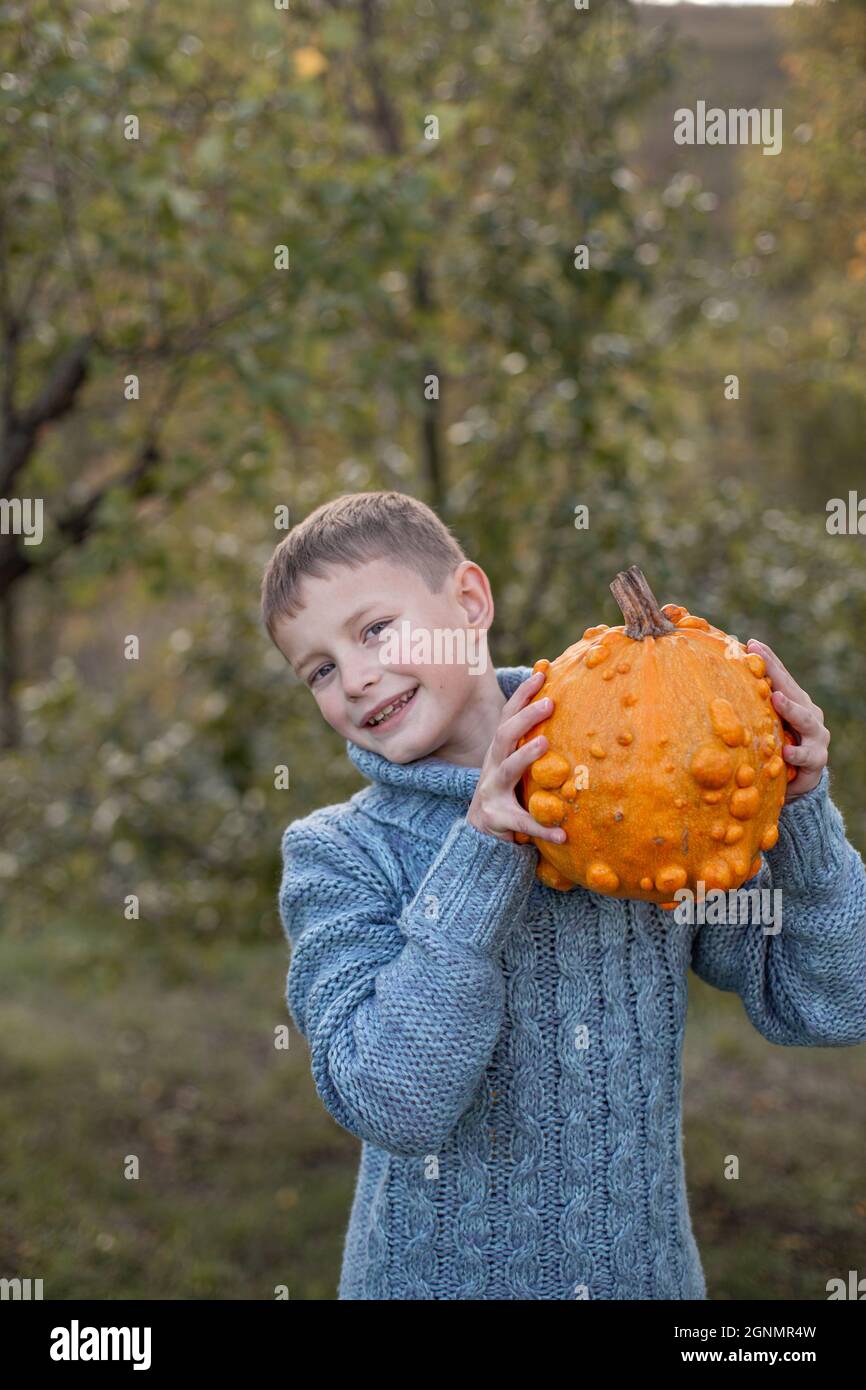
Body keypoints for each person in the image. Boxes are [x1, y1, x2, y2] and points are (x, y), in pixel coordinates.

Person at [261, 489, 865, 1300]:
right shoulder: (336, 855)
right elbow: (393, 1100)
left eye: (376, 629)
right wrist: (484, 850)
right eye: (322, 670)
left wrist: (802, 815)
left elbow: (830, 1002)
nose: (360, 678)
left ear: (469, 601)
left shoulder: (644, 798)